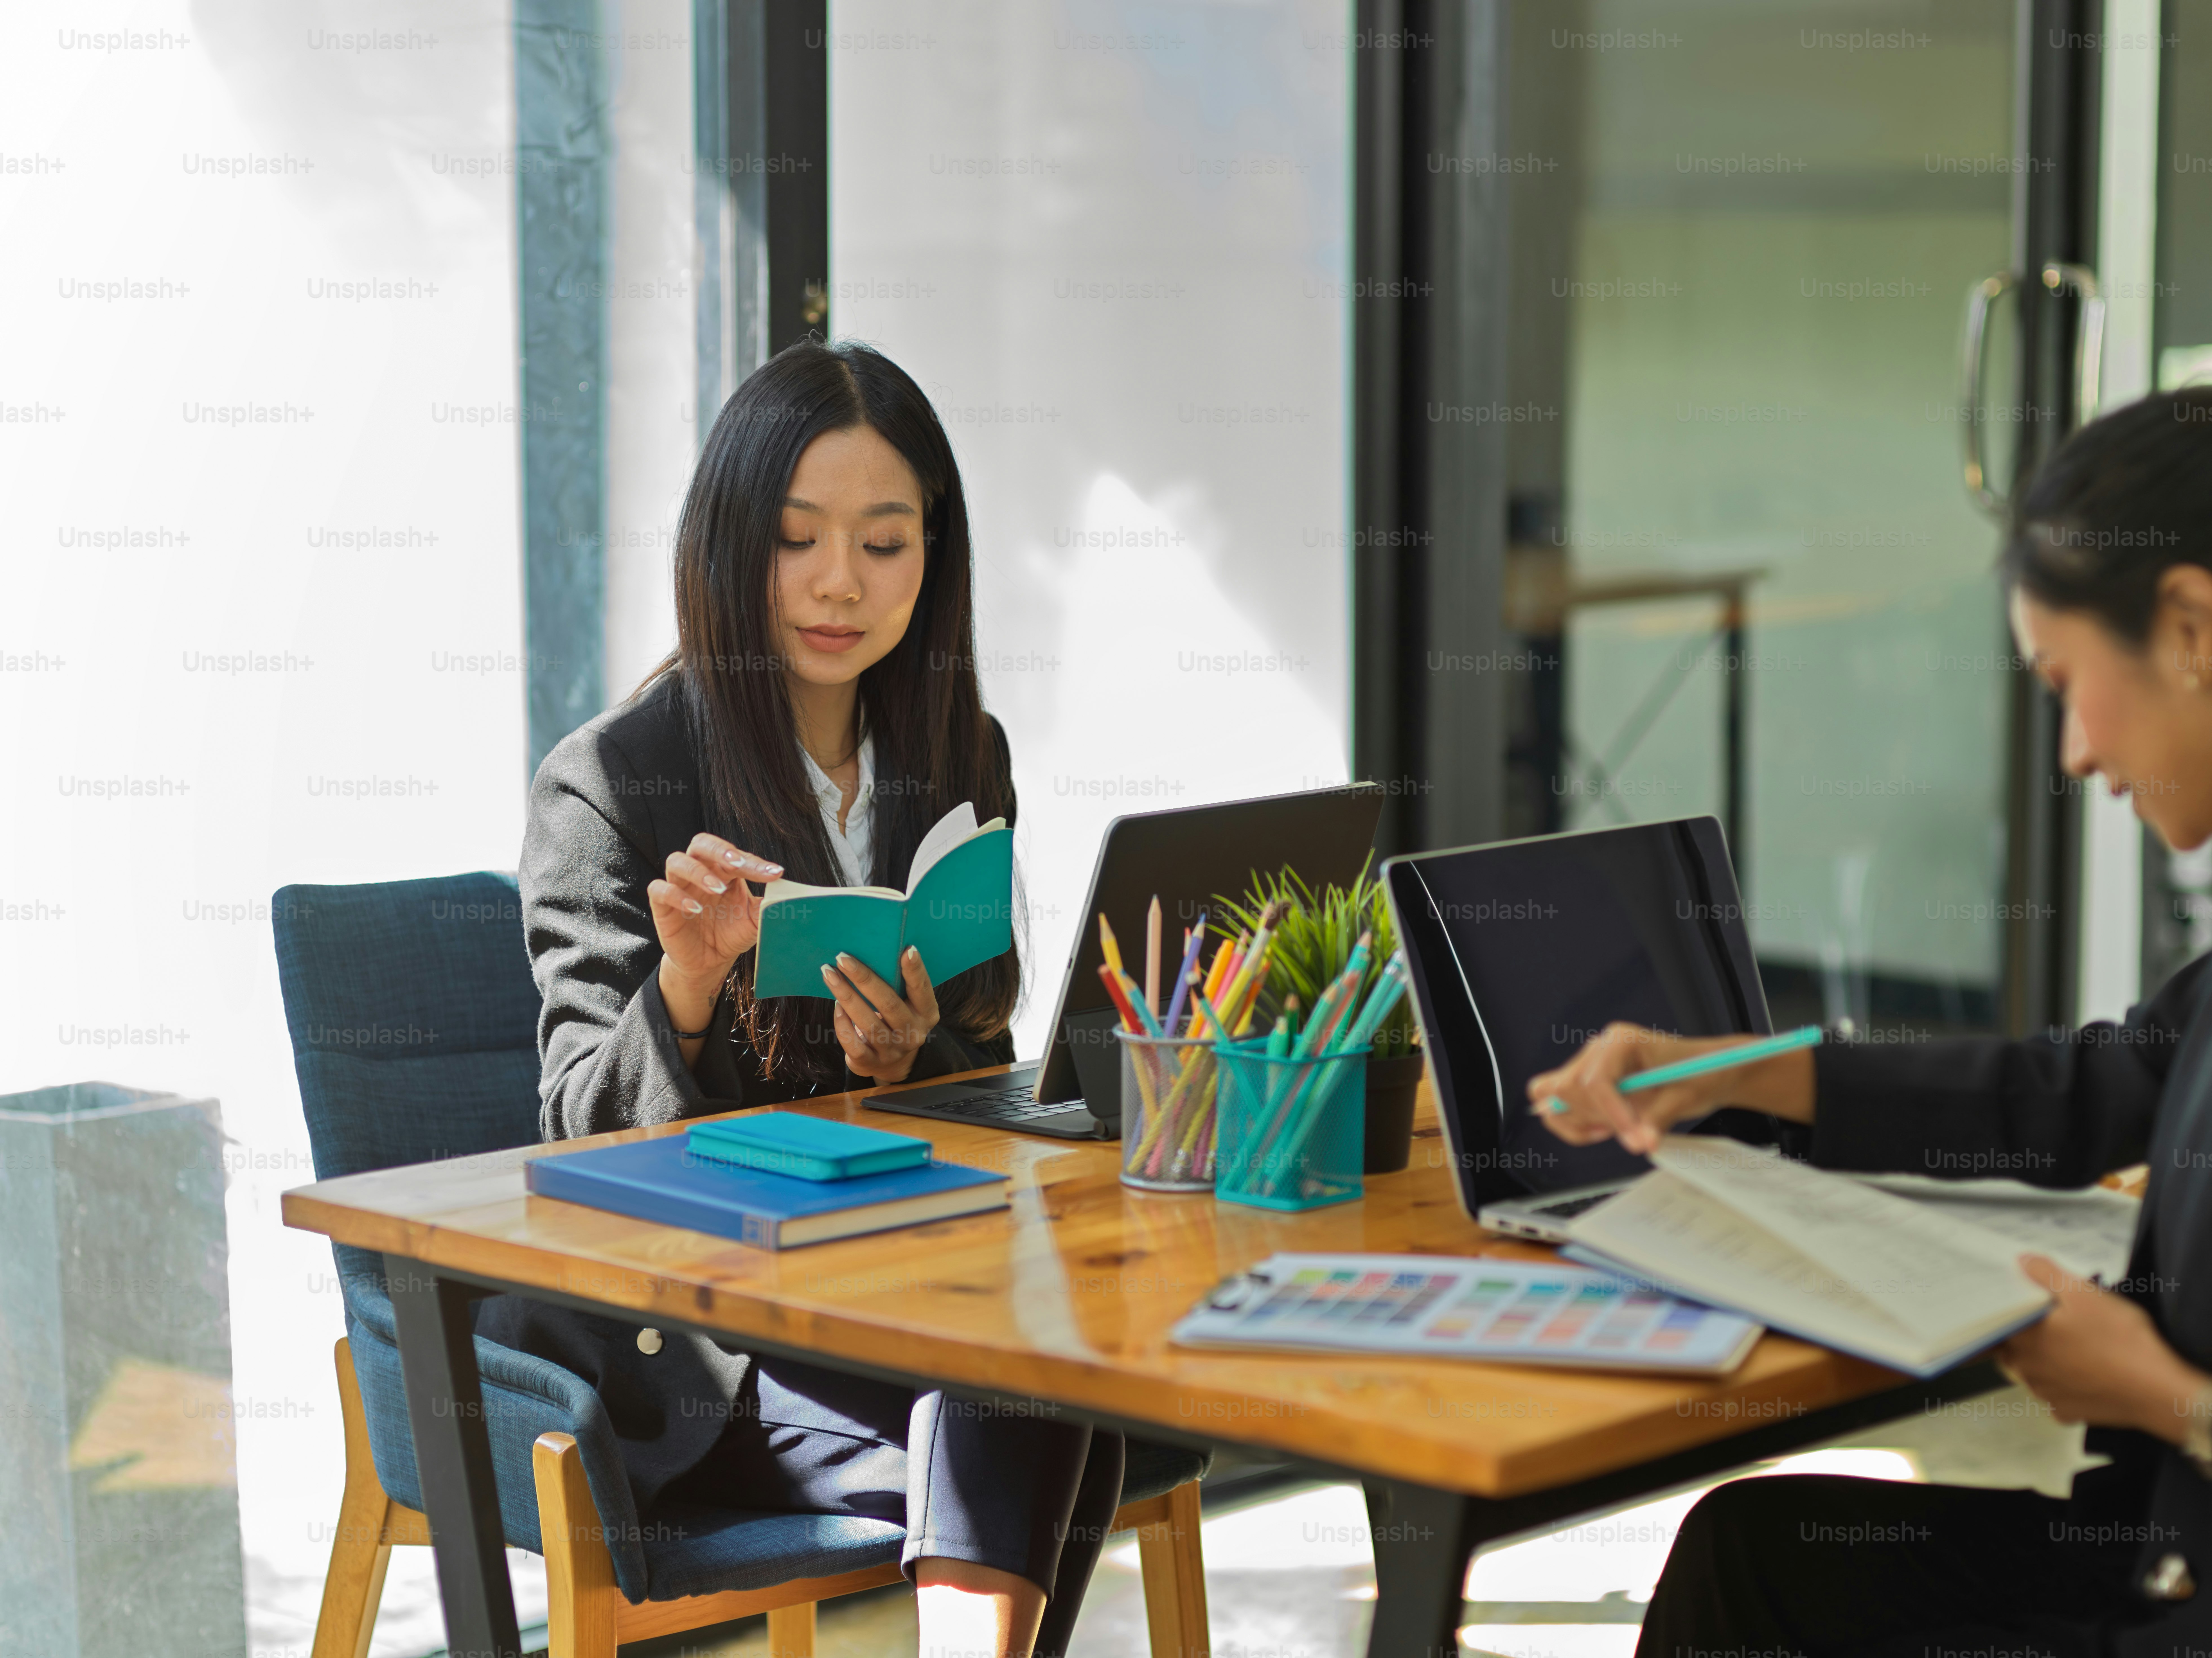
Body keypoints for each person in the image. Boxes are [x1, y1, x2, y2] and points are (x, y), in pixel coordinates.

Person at [1531, 387, 2212, 1658]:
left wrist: (2163, 1396)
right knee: (1752, 1559)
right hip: (2150, 1548)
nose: (2069, 752)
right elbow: (2085, 1087)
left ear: (2188, 626)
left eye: (2068, 684)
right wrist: (1732, 1070)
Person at [478, 340, 1121, 1658]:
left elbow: (983, 1054)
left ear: (932, 558)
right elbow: (574, 1132)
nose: (841, 584)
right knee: (1030, 1406)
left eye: (886, 544)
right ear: (728, 545)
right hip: (688, 1341)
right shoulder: (611, 781)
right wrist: (690, 987)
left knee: (1047, 1384)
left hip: (894, 1288)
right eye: (796, 539)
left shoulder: (957, 752)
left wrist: (918, 1055)